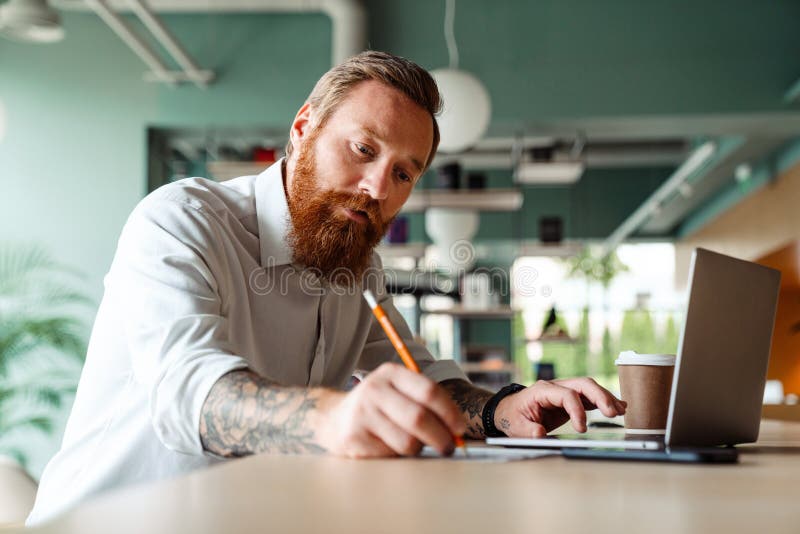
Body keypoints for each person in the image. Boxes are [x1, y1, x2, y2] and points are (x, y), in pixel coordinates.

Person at [27, 51, 625, 525]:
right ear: (303, 128)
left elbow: (424, 383)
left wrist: (501, 410)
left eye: (402, 173)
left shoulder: (357, 265)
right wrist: (331, 420)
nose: (377, 188)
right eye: (363, 149)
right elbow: (191, 395)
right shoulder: (182, 219)